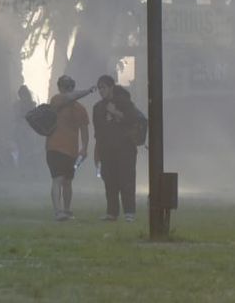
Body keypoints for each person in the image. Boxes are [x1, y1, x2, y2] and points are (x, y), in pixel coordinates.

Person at [92, 75, 140, 222]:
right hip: (107, 149)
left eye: (104, 87)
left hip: (125, 148)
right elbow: (98, 132)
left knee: (126, 180)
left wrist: (115, 112)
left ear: (111, 87)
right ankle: (112, 213)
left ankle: (129, 213)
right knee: (110, 181)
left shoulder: (124, 102)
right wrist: (97, 152)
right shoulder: (98, 108)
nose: (101, 91)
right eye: (99, 88)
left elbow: (133, 119)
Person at [45, 75, 90, 221]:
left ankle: (66, 210)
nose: (67, 89)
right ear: (61, 88)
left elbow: (84, 130)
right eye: (65, 86)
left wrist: (84, 148)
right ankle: (58, 211)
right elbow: (69, 98)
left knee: (68, 181)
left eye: (69, 86)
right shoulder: (56, 100)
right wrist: (88, 91)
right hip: (55, 147)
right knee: (58, 179)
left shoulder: (80, 109)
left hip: (71, 151)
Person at [12, 85, 37, 169]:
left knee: (30, 148)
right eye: (21, 95)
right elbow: (16, 116)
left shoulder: (32, 104)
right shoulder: (17, 105)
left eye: (24, 94)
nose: (23, 97)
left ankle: (30, 166)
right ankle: (21, 167)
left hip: (30, 129)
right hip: (20, 129)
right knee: (21, 148)